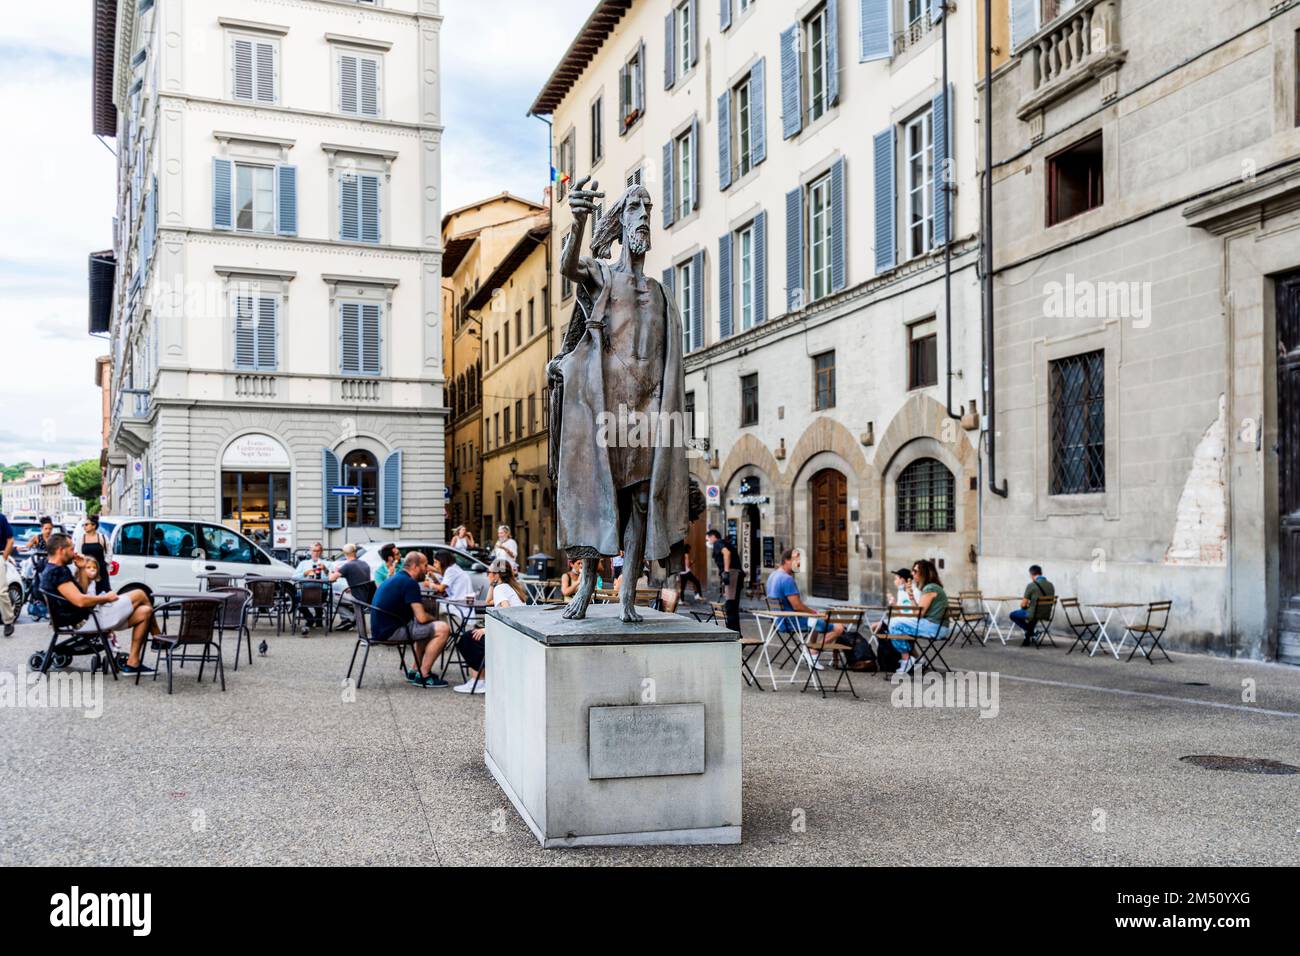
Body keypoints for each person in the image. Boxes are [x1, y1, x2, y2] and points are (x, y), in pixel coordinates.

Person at [39, 533, 158, 676]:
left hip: (88, 617)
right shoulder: (57, 572)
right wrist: (106, 598)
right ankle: (159, 638)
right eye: (71, 548)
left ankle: (133, 663)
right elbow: (80, 601)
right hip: (88, 620)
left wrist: (82, 569)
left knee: (145, 611)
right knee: (140, 593)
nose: (74, 552)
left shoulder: (53, 569)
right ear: (60, 550)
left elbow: (81, 594)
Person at [370, 552, 449, 689]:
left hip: (380, 630)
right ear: (415, 566)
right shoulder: (410, 583)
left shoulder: (395, 578)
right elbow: (422, 617)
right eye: (425, 566)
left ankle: (415, 670)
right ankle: (424, 675)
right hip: (391, 632)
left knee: (423, 626)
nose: (427, 569)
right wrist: (434, 619)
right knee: (443, 628)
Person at [455, 558, 526, 695]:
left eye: (489, 572)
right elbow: (488, 601)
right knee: (472, 636)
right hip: (517, 634)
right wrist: (493, 583)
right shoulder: (511, 587)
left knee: (467, 639)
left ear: (496, 574)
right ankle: (479, 679)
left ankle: (480, 681)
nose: (487, 575)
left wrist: (487, 629)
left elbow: (508, 613)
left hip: (509, 636)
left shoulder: (501, 589)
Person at [766, 549, 844, 670]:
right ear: (787, 560)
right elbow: (797, 606)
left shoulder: (773, 576)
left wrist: (814, 614)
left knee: (815, 622)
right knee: (839, 628)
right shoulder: (787, 579)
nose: (799, 564)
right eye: (796, 560)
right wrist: (816, 613)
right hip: (792, 622)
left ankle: (808, 652)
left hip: (779, 621)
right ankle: (813, 652)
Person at [885, 559, 950, 674]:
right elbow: (918, 612)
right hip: (936, 626)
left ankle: (907, 661)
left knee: (894, 624)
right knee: (899, 625)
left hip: (935, 627)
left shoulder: (930, 588)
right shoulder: (932, 587)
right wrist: (911, 596)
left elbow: (919, 614)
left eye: (915, 571)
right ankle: (917, 660)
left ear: (924, 573)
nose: (912, 573)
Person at [707, 529, 744, 633]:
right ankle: (735, 632)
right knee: (732, 606)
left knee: (730, 606)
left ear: (713, 536)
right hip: (735, 574)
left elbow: (726, 553)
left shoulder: (718, 543)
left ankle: (733, 632)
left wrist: (726, 572)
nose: (708, 541)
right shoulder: (723, 542)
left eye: (708, 538)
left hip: (732, 574)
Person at [1010, 564, 1056, 646]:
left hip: (1033, 614)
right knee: (1033, 614)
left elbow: (1023, 604)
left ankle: (1032, 632)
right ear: (1040, 573)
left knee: (1013, 615)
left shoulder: (1031, 585)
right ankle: (1028, 636)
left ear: (1031, 574)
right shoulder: (1051, 585)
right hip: (1046, 614)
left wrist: (1025, 606)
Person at [329, 543, 372, 630]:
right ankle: (348, 620)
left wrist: (331, 571)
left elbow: (331, 579)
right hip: (365, 596)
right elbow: (362, 579)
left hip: (356, 598)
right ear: (355, 552)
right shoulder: (364, 563)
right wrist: (352, 588)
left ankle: (350, 618)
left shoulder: (348, 565)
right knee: (341, 594)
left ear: (344, 553)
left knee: (331, 597)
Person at [293, 542, 329, 630]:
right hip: (305, 590)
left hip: (321, 591)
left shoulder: (327, 563)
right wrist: (305, 573)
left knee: (318, 592)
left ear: (321, 552)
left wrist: (325, 570)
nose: (316, 553)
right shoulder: (303, 563)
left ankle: (318, 619)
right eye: (314, 551)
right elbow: (294, 577)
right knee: (295, 599)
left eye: (318, 551)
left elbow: (331, 579)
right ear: (310, 551)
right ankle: (310, 618)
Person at [73, 515, 112, 596]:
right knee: (87, 592)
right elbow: (77, 553)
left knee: (102, 593)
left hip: (101, 571)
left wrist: (105, 562)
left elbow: (109, 551)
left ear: (94, 525)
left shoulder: (102, 537)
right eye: (83, 525)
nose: (84, 527)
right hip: (86, 571)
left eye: (86, 524)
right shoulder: (81, 538)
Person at [873, 568, 919, 636]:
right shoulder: (900, 592)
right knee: (875, 627)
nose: (894, 581)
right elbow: (900, 612)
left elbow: (916, 612)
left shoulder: (915, 591)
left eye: (896, 579)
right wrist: (894, 604)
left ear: (902, 579)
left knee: (875, 627)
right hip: (902, 620)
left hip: (910, 622)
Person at [0, 510, 14, 636]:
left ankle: (8, 621)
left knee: (1, 591)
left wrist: (3, 558)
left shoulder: (1, 518)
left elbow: (10, 540)